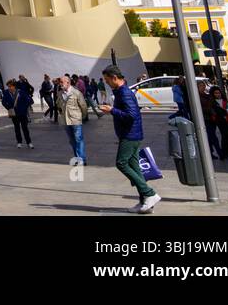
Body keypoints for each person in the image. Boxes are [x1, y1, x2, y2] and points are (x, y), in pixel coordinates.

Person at [101, 65, 160, 213]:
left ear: (115, 78)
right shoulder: (121, 91)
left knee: (121, 163)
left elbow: (131, 115)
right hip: (130, 134)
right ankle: (145, 202)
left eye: (107, 80)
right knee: (135, 168)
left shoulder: (124, 93)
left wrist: (112, 110)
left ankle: (149, 193)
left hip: (130, 135)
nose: (106, 83)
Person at [56, 74, 87, 164]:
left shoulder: (76, 93)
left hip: (76, 120)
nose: (60, 84)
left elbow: (83, 106)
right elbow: (58, 104)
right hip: (66, 121)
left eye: (62, 82)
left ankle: (82, 159)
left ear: (68, 83)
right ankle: (77, 158)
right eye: (60, 82)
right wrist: (61, 112)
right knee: (72, 141)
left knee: (78, 139)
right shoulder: (60, 93)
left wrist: (82, 117)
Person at [209, 85, 228, 160]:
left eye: (219, 93)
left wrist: (227, 111)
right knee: (225, 136)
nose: (218, 94)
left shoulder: (224, 101)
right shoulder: (213, 102)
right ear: (213, 94)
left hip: (227, 120)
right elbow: (213, 112)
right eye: (216, 93)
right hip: (220, 121)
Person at [1, 80, 33, 148]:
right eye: (8, 86)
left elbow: (29, 101)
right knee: (17, 128)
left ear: (14, 86)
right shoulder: (6, 93)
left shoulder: (21, 92)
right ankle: (19, 142)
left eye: (10, 86)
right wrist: (9, 108)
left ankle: (29, 142)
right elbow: (3, 102)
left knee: (25, 128)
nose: (9, 88)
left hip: (22, 113)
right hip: (14, 114)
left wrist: (24, 108)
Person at [196, 79, 222, 160]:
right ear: (196, 87)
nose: (203, 87)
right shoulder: (197, 97)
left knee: (210, 137)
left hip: (211, 118)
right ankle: (220, 153)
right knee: (213, 137)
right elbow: (201, 108)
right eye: (201, 86)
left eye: (203, 85)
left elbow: (213, 104)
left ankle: (210, 153)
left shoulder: (207, 95)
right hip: (205, 119)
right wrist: (210, 110)